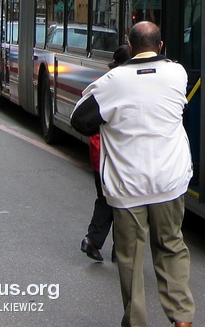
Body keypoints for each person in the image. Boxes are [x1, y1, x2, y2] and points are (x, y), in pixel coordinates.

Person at [72, 22, 195, 327]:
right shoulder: (177, 74)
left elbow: (79, 118)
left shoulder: (113, 81)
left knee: (130, 258)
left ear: (128, 44)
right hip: (170, 181)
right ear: (161, 45)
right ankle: (182, 320)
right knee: (172, 246)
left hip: (127, 187)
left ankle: (136, 322)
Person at [80, 44, 131, 264]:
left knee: (107, 198)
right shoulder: (121, 86)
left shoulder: (105, 83)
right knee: (122, 201)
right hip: (112, 153)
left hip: (99, 152)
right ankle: (113, 247)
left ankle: (95, 241)